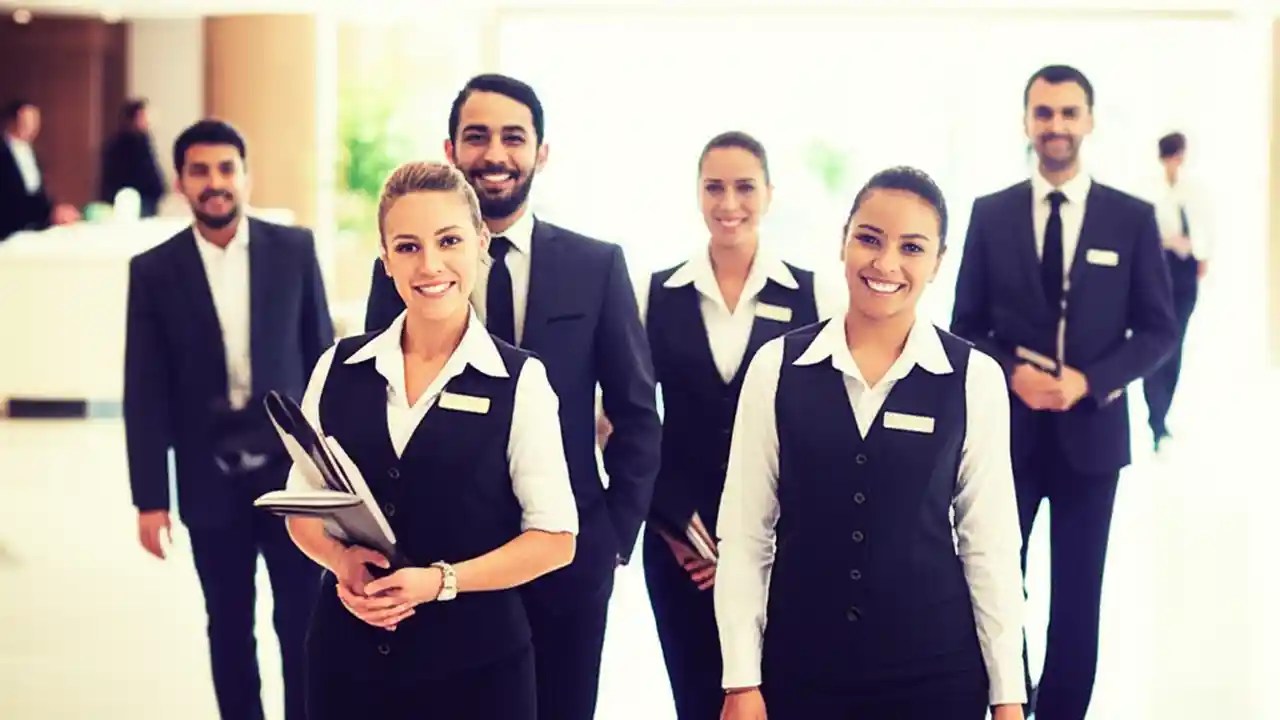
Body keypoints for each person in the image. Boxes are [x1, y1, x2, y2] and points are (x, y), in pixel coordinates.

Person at [363, 73, 661, 720]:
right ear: (451, 151)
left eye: (513, 138)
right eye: (477, 137)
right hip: (442, 561)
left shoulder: (597, 265)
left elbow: (638, 412)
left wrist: (613, 532)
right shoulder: (406, 266)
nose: (494, 155)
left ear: (541, 152)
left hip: (566, 556)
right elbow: (374, 406)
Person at [716, 166, 1026, 720]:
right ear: (843, 241)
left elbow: (991, 545)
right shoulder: (778, 367)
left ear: (938, 262)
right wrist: (741, 679)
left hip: (935, 671)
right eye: (869, 238)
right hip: (800, 668)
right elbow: (745, 533)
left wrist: (1008, 695)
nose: (886, 264)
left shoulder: (972, 377)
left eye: (912, 247)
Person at [286, 160, 578, 719]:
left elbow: (555, 539)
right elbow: (303, 509)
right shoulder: (339, 366)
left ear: (480, 243)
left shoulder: (520, 381)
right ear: (385, 258)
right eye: (408, 247)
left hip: (476, 676)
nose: (430, 265)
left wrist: (441, 582)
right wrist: (340, 560)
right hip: (346, 669)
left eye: (448, 241)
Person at [950, 65, 1177, 720]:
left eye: (1068, 112)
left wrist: (1092, 380)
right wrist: (1010, 374)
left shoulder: (1131, 219)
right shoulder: (989, 214)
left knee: (1078, 599)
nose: (1056, 125)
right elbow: (966, 325)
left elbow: (1159, 328)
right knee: (996, 588)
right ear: (1026, 121)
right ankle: (1010, 704)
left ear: (1090, 120)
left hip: (1094, 440)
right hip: (1006, 440)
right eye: (1044, 112)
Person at [123, 119, 333, 720]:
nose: (215, 183)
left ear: (244, 175)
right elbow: (145, 389)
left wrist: (339, 476)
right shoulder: (154, 270)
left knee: (303, 619)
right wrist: (149, 499)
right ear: (180, 181)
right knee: (229, 623)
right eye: (200, 171)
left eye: (225, 169)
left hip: (292, 477)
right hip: (208, 474)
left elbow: (322, 362)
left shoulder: (293, 250)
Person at [642, 130, 819, 719]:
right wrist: (673, 526)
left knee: (773, 699)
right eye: (714, 187)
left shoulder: (811, 297)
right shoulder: (657, 294)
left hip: (779, 547)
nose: (729, 203)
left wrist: (760, 544)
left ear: (770, 194)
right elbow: (626, 423)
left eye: (745, 187)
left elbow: (820, 432)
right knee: (695, 700)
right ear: (697, 194)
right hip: (677, 541)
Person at [1141, 131, 1209, 451]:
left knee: (1176, 341)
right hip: (1159, 268)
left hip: (1184, 272)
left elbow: (1204, 230)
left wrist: (1198, 254)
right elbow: (1144, 234)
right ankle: (1154, 416)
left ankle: (1161, 416)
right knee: (1157, 339)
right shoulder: (1150, 189)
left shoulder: (1191, 189)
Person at [0, 99, 79, 239]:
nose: (32, 126)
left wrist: (55, 211)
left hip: (33, 228)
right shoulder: (3, 151)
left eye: (35, 120)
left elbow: (37, 192)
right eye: (27, 120)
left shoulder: (33, 152)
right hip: (7, 230)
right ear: (12, 120)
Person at [101, 98, 167, 217]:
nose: (147, 120)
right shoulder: (129, 144)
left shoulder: (141, 141)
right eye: (143, 116)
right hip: (133, 201)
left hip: (142, 200)